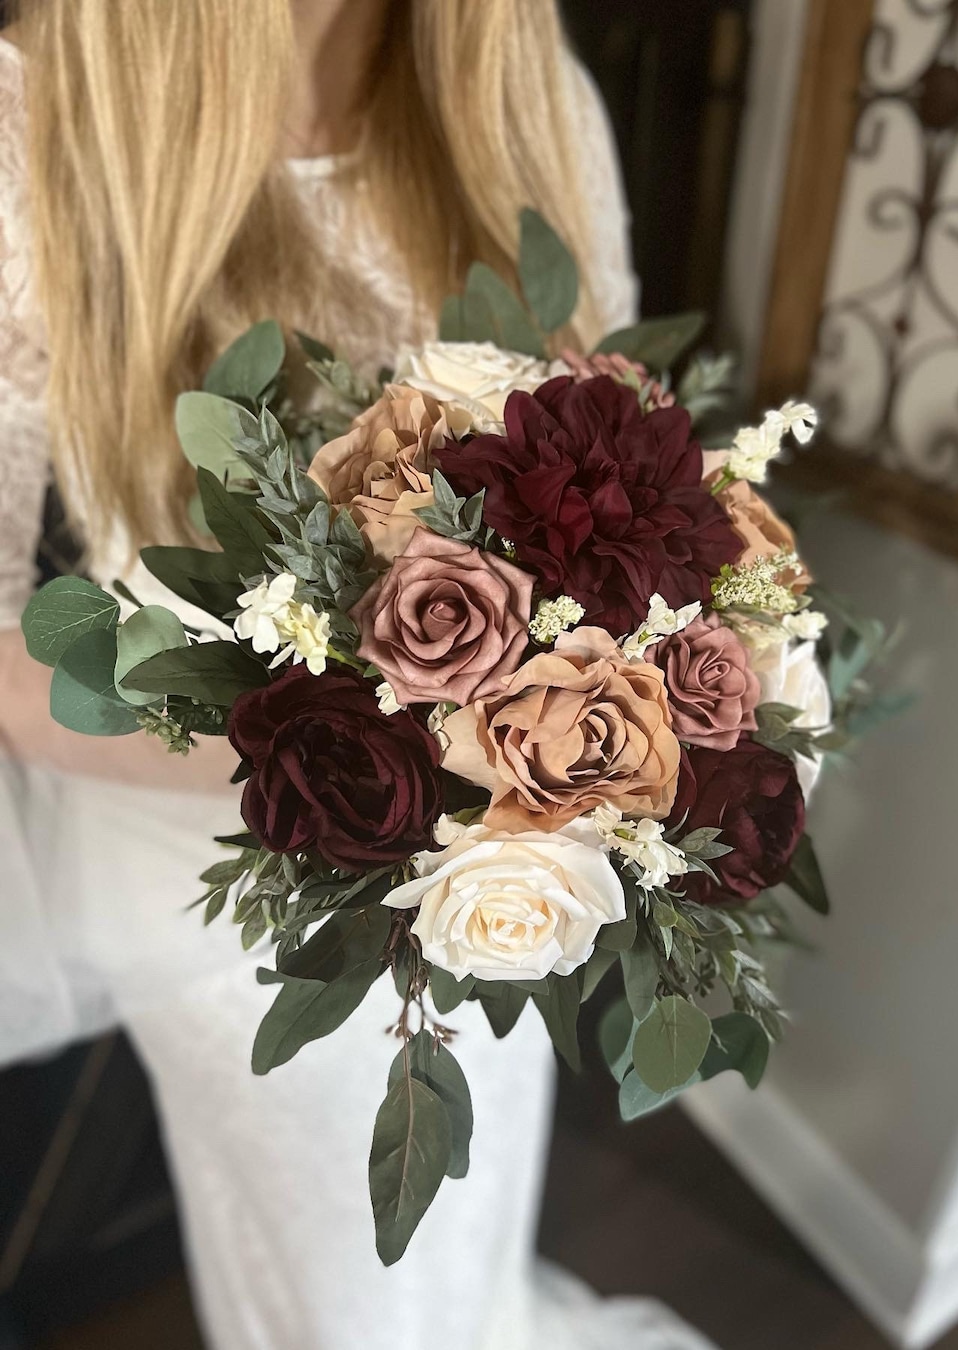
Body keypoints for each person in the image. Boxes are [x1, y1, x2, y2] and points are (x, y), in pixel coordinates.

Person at [0, 3, 718, 1348]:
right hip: (229, 899)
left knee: (470, 1224)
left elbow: (623, 447)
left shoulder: (528, 94)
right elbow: (5, 669)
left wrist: (618, 689)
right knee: (345, 1301)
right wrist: (403, 742)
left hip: (512, 856)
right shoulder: (28, 128)